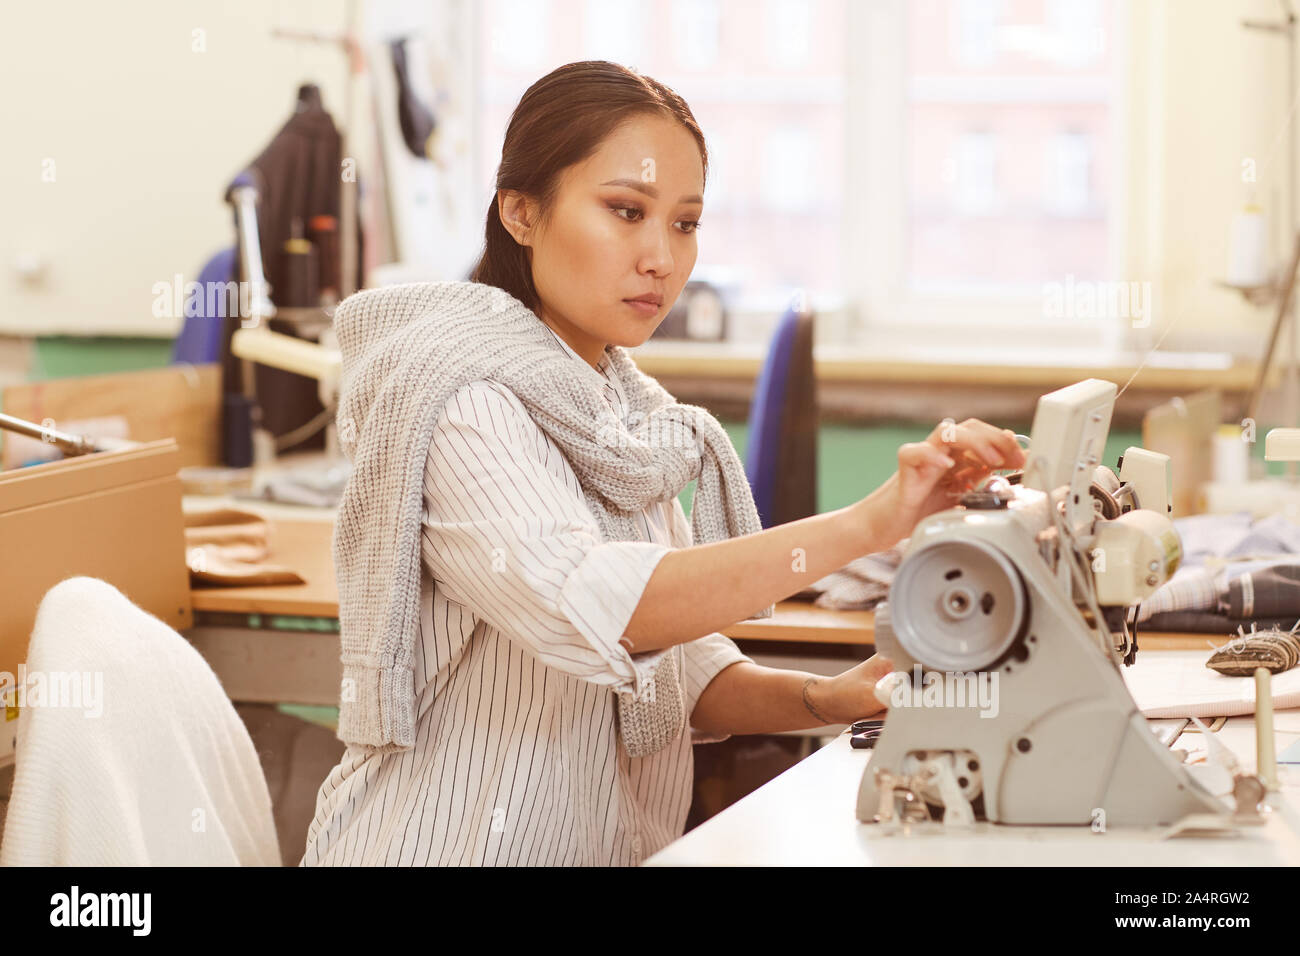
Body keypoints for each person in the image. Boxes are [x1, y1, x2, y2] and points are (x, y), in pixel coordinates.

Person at [301, 60, 1025, 867]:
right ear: (520, 212)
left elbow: (678, 670)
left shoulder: (619, 412)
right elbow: (607, 609)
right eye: (625, 211)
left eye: (684, 223)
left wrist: (832, 697)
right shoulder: (459, 400)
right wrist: (872, 522)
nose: (662, 258)